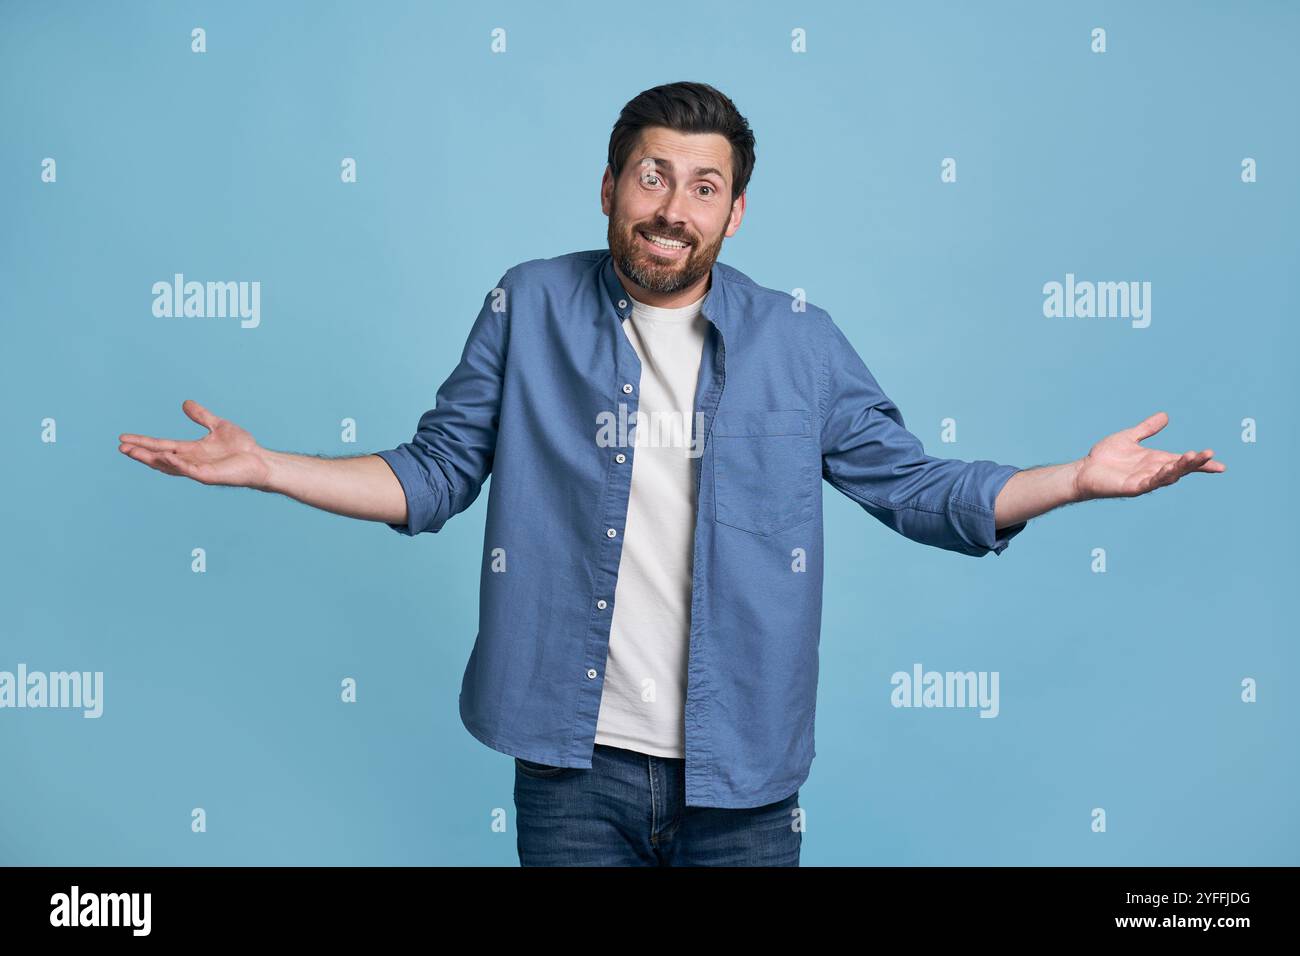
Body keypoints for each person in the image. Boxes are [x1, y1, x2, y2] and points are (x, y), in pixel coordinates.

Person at [118, 81, 1225, 867]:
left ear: (735, 212)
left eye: (704, 186)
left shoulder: (799, 341)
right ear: (607, 184)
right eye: (653, 175)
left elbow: (916, 488)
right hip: (569, 771)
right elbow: (435, 474)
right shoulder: (528, 303)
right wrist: (268, 467)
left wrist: (1071, 481)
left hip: (741, 780)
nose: (672, 206)